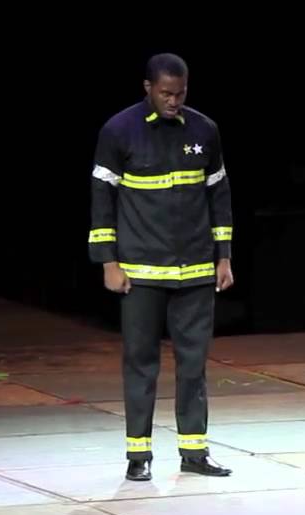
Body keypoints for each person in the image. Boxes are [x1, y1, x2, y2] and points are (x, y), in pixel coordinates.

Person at [88, 53, 235, 482]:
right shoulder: (118, 131)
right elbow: (102, 201)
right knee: (141, 362)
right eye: (166, 93)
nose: (174, 101)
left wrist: (223, 255)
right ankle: (139, 454)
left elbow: (218, 194)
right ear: (148, 88)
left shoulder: (204, 130)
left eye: (181, 93)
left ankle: (194, 451)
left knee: (194, 363)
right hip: (140, 270)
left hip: (195, 270)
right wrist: (108, 262)